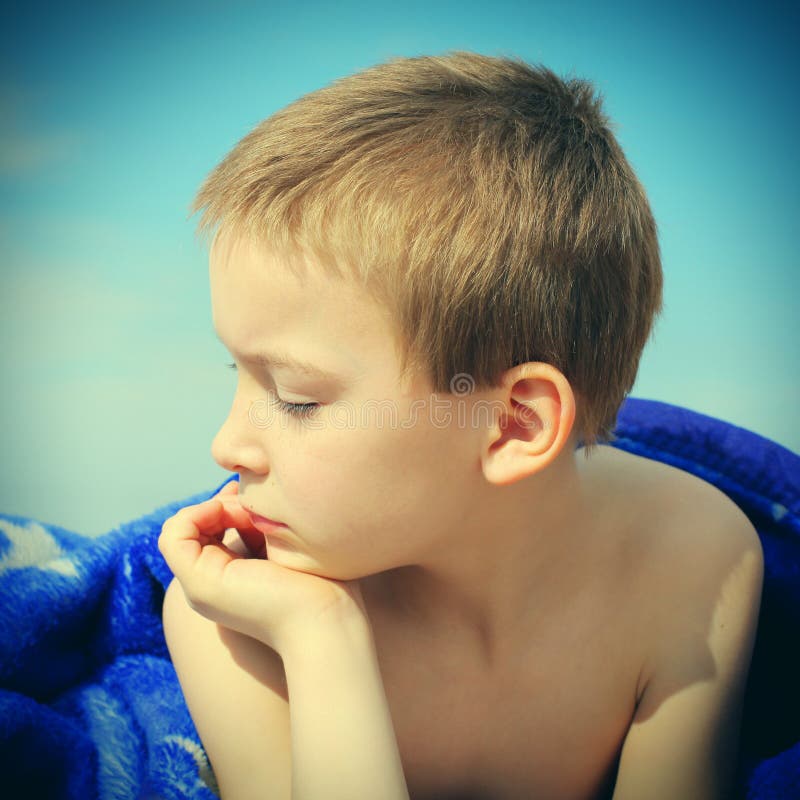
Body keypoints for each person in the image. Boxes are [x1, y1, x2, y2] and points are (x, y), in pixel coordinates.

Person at [158, 51, 764, 800]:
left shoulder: (690, 558)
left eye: (295, 397)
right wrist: (322, 638)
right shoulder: (235, 622)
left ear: (511, 424)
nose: (226, 446)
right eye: (237, 374)